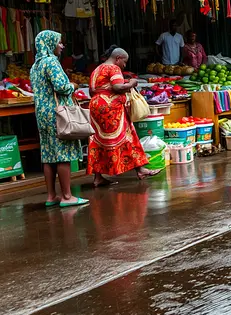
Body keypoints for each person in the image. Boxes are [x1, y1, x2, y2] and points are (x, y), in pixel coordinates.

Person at [30, 31, 89, 208]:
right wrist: (73, 85)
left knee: (48, 154)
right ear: (50, 44)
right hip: (57, 113)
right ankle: (67, 196)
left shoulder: (36, 65)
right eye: (59, 42)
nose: (62, 46)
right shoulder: (51, 62)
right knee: (63, 153)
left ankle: (51, 196)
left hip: (42, 113)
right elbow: (61, 87)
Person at [88, 47, 160, 187]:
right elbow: (118, 87)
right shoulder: (113, 68)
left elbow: (91, 90)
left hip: (96, 107)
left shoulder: (97, 70)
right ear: (118, 58)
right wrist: (132, 82)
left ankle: (98, 177)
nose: (124, 66)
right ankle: (141, 170)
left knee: (97, 141)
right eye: (124, 62)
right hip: (111, 108)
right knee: (128, 136)